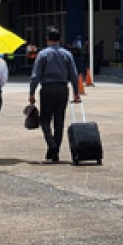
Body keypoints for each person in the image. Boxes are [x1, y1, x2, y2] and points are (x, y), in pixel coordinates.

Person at [28, 28, 81, 163]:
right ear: (60, 40)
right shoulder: (67, 54)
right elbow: (74, 75)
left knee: (45, 119)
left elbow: (36, 75)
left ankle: (51, 144)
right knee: (59, 120)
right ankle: (55, 150)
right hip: (62, 88)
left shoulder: (43, 54)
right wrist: (76, 92)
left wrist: (32, 92)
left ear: (47, 39)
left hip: (47, 88)